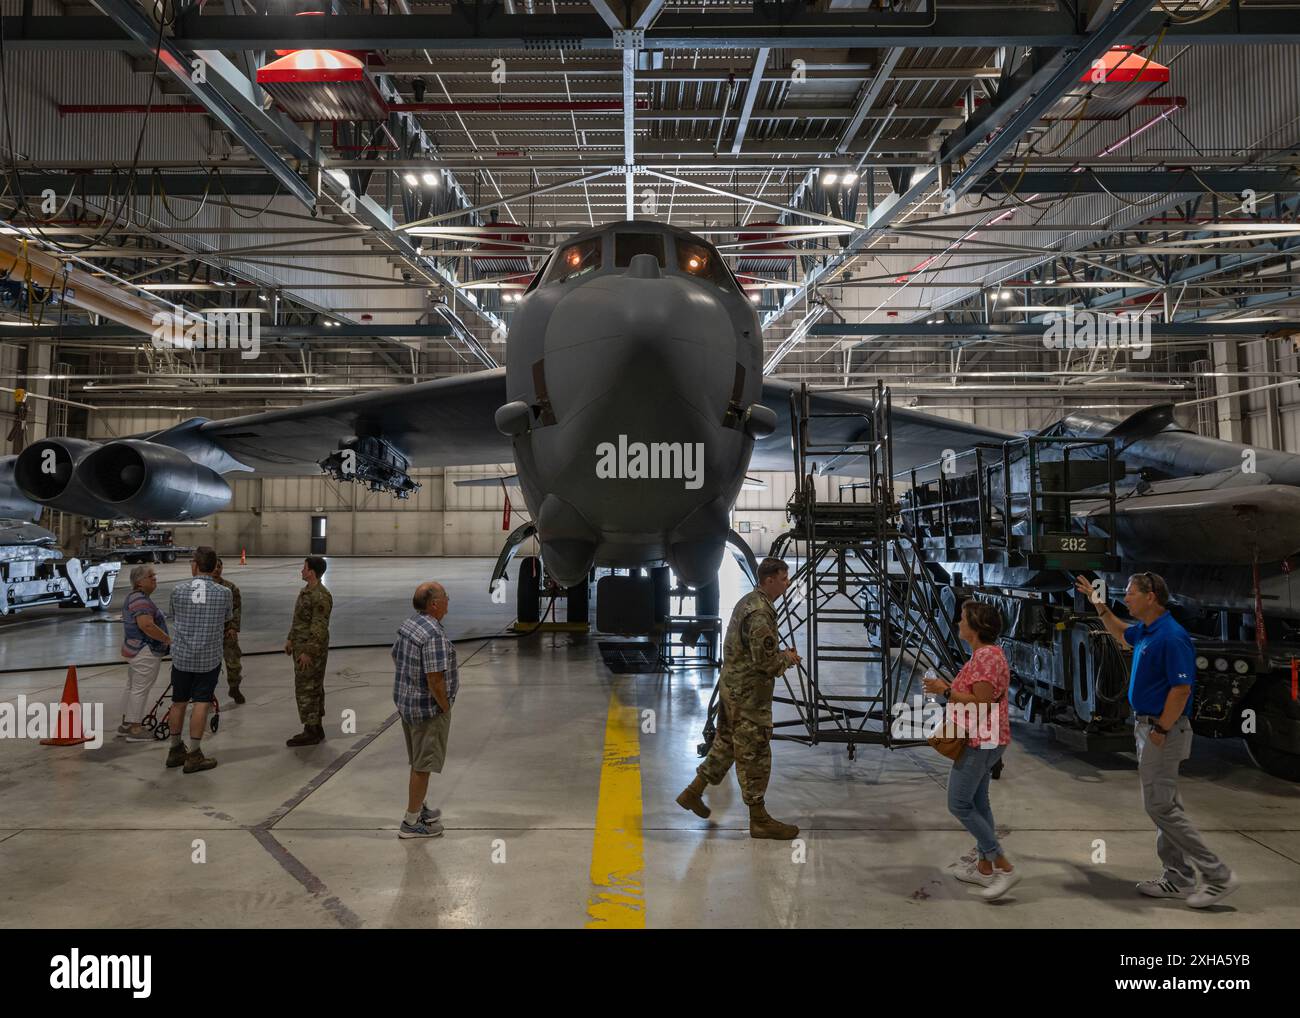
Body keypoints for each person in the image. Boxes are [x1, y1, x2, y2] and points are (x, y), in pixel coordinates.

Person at [1075, 571, 1238, 907]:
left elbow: (1181, 690)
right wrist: (1099, 604)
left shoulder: (1171, 636)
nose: (1126, 598)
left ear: (1150, 597)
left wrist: (1161, 730)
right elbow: (1121, 633)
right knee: (1165, 804)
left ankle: (1218, 875)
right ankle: (1178, 877)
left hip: (1163, 730)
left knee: (1160, 806)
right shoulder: (1147, 630)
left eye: (1131, 593)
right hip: (1148, 728)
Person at [676, 557, 801, 839]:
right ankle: (759, 819)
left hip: (732, 689)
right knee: (755, 751)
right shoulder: (760, 613)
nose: (787, 583)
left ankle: (693, 792)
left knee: (727, 744)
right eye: (783, 579)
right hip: (748, 697)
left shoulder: (749, 602)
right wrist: (787, 658)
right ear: (769, 580)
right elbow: (765, 663)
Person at [924, 600, 1019, 901]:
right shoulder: (986, 654)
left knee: (959, 803)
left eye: (963, 619)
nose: (958, 623)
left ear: (976, 627)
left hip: (980, 739)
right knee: (979, 802)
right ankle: (984, 868)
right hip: (986, 737)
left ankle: (1004, 866)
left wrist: (945, 690)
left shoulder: (986, 657)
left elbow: (982, 702)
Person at [391, 581, 458, 839]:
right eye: (445, 596)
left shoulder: (410, 625)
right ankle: (411, 822)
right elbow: (435, 680)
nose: (448, 600)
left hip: (407, 705)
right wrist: (445, 706)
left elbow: (395, 655)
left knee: (418, 759)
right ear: (434, 604)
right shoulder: (433, 635)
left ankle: (420, 807)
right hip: (427, 711)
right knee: (422, 765)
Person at [164, 546, 232, 773]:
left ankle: (175, 749)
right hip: (208, 658)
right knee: (201, 703)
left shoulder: (178, 590)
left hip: (182, 657)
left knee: (178, 702)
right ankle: (194, 754)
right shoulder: (224, 593)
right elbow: (227, 618)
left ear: (195, 565)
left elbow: (174, 616)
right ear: (213, 567)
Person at [118, 564, 171, 742]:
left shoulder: (135, 597)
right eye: (151, 576)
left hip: (135, 649)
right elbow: (146, 625)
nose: (154, 579)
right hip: (145, 650)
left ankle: (126, 724)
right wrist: (167, 639)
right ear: (139, 582)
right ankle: (135, 729)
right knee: (140, 689)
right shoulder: (140, 600)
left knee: (133, 687)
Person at [284, 556, 332, 746]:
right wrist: (290, 638)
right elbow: (299, 619)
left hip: (310, 651)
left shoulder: (320, 596)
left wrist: (308, 652)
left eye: (304, 568)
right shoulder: (306, 592)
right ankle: (315, 727)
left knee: (308, 688)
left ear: (311, 572)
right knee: (311, 686)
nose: (301, 571)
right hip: (300, 646)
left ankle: (311, 730)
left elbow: (319, 627)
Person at [213, 558, 244, 705]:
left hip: (227, 630)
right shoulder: (203, 588)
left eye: (219, 566)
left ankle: (234, 687)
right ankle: (207, 693)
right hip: (210, 632)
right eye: (214, 567)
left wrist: (233, 627)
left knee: (233, 662)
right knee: (208, 665)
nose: (217, 569)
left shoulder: (230, 587)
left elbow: (236, 608)